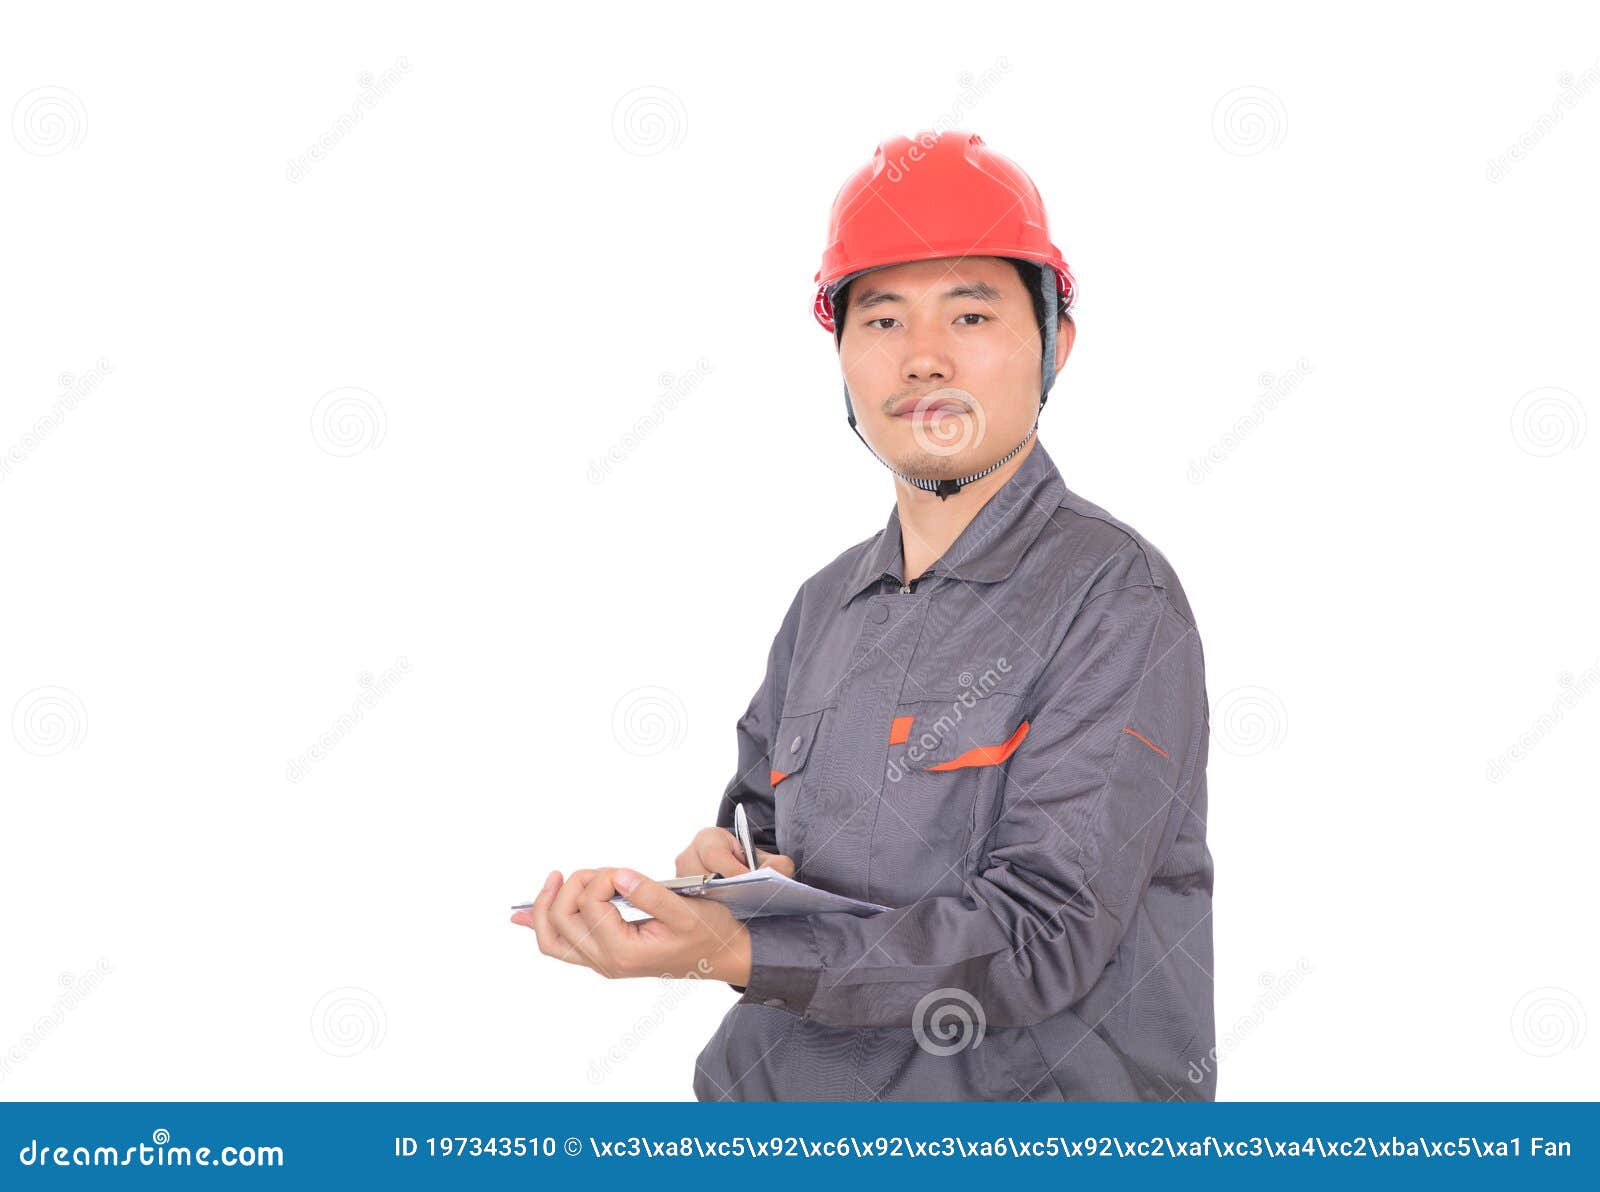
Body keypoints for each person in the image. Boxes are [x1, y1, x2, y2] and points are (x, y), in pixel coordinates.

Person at [512, 130, 1215, 1101]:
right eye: (881, 321)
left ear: (1055, 343)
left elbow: (1044, 934)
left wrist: (736, 950)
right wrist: (715, 883)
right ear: (840, 352)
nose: (922, 359)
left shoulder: (1112, 598)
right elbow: (757, 837)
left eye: (969, 313)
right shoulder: (824, 608)